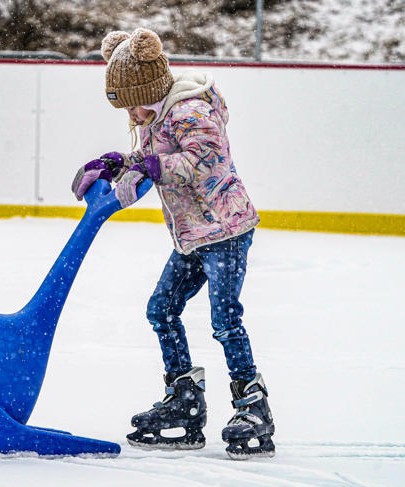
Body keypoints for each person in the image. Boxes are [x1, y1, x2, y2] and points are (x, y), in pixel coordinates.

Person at [71, 28, 275, 459]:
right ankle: (184, 397)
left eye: (131, 103)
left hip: (226, 230)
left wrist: (150, 164)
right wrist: (115, 162)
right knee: (161, 309)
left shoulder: (192, 111)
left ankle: (253, 405)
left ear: (150, 89)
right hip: (190, 235)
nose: (129, 114)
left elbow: (203, 161)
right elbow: (157, 156)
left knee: (225, 321)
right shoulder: (155, 116)